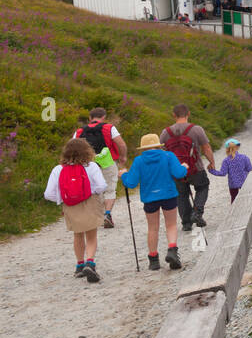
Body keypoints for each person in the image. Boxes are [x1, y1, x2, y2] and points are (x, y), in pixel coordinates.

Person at [44, 137, 109, 283]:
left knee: (78, 235)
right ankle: (90, 263)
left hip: (70, 205)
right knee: (91, 236)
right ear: (87, 150)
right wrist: (92, 192)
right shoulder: (91, 166)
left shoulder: (58, 169)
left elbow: (48, 194)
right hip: (90, 202)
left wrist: (61, 200)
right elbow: (102, 186)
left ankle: (79, 266)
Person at [120, 133, 188, 270]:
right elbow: (179, 173)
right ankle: (172, 250)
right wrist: (184, 167)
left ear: (143, 148)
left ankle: (153, 260)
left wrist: (123, 175)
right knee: (171, 225)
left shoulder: (139, 161)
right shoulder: (168, 156)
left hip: (150, 198)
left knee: (152, 228)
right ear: (158, 145)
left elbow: (131, 183)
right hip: (168, 195)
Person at [159, 104, 215, 232]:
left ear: (174, 115)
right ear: (188, 113)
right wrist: (211, 162)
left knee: (181, 195)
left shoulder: (165, 132)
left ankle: (186, 223)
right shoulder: (196, 129)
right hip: (195, 168)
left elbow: (162, 152)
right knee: (202, 187)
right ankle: (197, 212)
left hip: (176, 170)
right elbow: (206, 147)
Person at [74, 107, 128, 229]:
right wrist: (123, 157)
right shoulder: (109, 127)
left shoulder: (79, 131)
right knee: (110, 189)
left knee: (91, 189)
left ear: (90, 118)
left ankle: (92, 216)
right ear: (103, 117)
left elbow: (72, 147)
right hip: (108, 161)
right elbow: (121, 144)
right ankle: (107, 215)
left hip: (87, 164)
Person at [209, 138, 252, 203]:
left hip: (233, 185)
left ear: (227, 149)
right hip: (245, 183)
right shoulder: (245, 157)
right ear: (238, 147)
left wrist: (211, 170)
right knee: (246, 200)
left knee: (234, 200)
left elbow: (222, 173)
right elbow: (250, 170)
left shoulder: (226, 161)